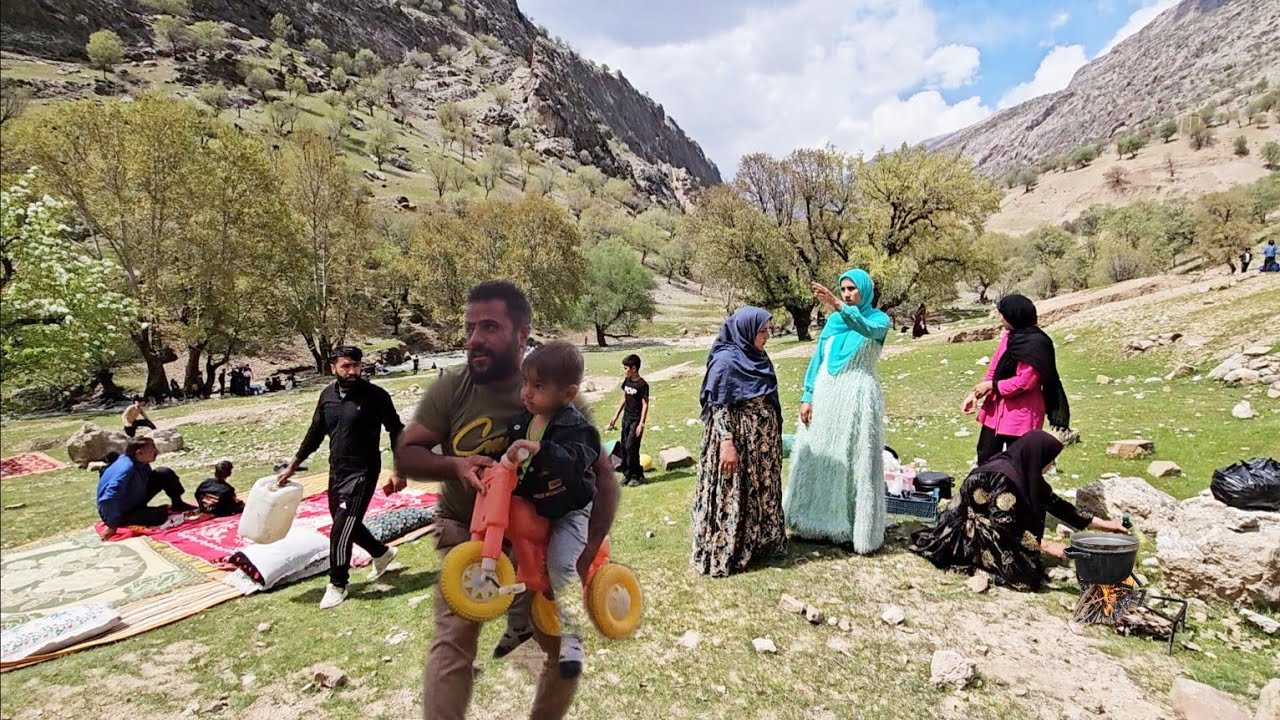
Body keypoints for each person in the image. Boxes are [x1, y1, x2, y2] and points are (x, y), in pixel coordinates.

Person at [395, 280, 619, 720]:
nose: (475, 338)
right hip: (466, 531)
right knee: (454, 639)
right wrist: (454, 466)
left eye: (490, 326)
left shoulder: (553, 388)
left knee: (557, 642)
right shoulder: (451, 389)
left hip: (534, 535)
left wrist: (588, 548)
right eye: (470, 327)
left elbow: (602, 476)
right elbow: (407, 454)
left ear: (521, 333)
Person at [909, 431, 1126, 590]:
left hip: (996, 526)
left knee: (1030, 565)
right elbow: (1005, 526)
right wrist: (1048, 546)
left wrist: (1109, 526)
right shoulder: (1003, 477)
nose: (1051, 465)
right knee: (1025, 576)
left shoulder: (1025, 472)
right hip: (969, 532)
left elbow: (1060, 507)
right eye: (1050, 460)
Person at [276, 346, 405, 610]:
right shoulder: (327, 397)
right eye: (346, 366)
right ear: (333, 367)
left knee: (340, 529)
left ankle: (337, 584)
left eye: (356, 366)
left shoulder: (376, 396)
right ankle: (382, 553)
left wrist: (399, 469)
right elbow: (315, 433)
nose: (353, 371)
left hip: (364, 471)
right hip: (337, 471)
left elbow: (396, 429)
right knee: (346, 523)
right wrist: (293, 465)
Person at [503, 340, 599, 679]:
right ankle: (518, 626)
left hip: (570, 510)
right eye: (526, 383)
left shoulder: (578, 429)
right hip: (535, 505)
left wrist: (540, 449)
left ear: (568, 394)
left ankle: (573, 641)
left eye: (539, 386)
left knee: (560, 566)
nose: (527, 393)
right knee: (514, 560)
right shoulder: (522, 422)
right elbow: (509, 454)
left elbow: (574, 462)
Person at [783, 270, 892, 554]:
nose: (846, 294)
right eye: (842, 289)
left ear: (865, 290)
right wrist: (807, 396)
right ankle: (811, 522)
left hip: (857, 396)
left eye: (852, 289)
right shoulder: (833, 322)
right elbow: (817, 360)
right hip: (827, 394)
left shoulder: (878, 320)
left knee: (854, 457)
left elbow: (867, 330)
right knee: (822, 454)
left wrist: (838, 305)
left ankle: (853, 526)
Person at [692, 307, 787, 577]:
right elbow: (719, 405)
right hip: (736, 441)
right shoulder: (725, 362)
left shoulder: (757, 357)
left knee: (761, 491)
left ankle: (760, 545)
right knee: (734, 492)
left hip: (761, 445)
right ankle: (728, 550)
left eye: (769, 329)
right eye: (762, 330)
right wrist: (727, 442)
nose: (768, 335)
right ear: (746, 331)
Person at [962, 294, 1069, 465]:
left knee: (1018, 465)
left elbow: (1024, 383)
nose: (1000, 319)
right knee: (986, 459)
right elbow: (994, 369)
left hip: (1021, 415)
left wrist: (991, 385)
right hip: (996, 412)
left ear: (1014, 315)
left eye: (1002, 314)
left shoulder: (1036, 344)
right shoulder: (1009, 337)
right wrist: (975, 394)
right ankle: (986, 492)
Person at [96, 437, 196, 535]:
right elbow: (108, 498)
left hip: (133, 497)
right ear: (139, 453)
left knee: (164, 473)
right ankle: (128, 518)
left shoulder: (140, 462)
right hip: (120, 510)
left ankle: (178, 503)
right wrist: (112, 526)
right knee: (160, 515)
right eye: (152, 451)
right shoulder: (126, 468)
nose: (156, 452)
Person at [605, 354, 649, 487]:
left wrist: (641, 424)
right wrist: (616, 416)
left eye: (625, 368)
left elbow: (645, 404)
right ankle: (627, 474)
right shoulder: (627, 381)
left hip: (636, 420)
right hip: (626, 418)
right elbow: (624, 398)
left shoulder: (642, 385)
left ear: (633, 368)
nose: (624, 371)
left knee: (632, 447)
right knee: (624, 447)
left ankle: (637, 475)